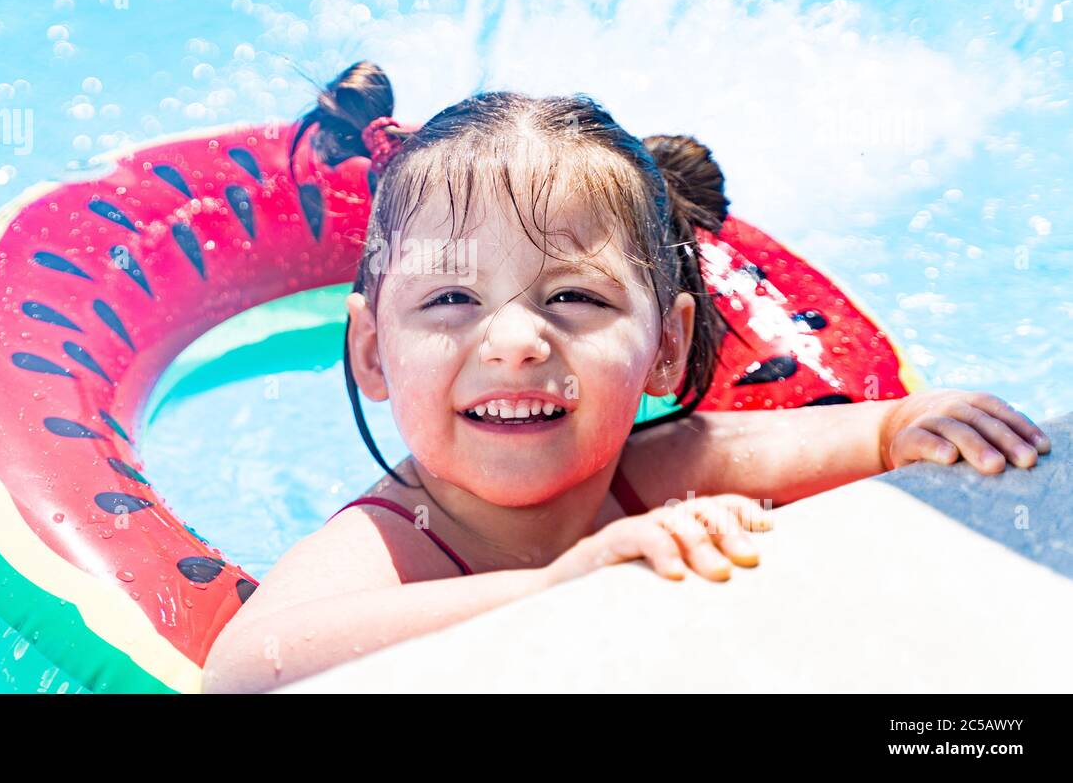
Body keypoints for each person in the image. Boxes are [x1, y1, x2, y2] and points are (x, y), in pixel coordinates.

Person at [201, 61, 1051, 693]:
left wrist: (910, 424)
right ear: (373, 354)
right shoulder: (391, 541)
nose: (515, 342)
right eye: (453, 297)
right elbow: (244, 668)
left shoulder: (661, 471)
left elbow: (857, 435)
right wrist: (551, 588)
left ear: (667, 348)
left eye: (573, 296)